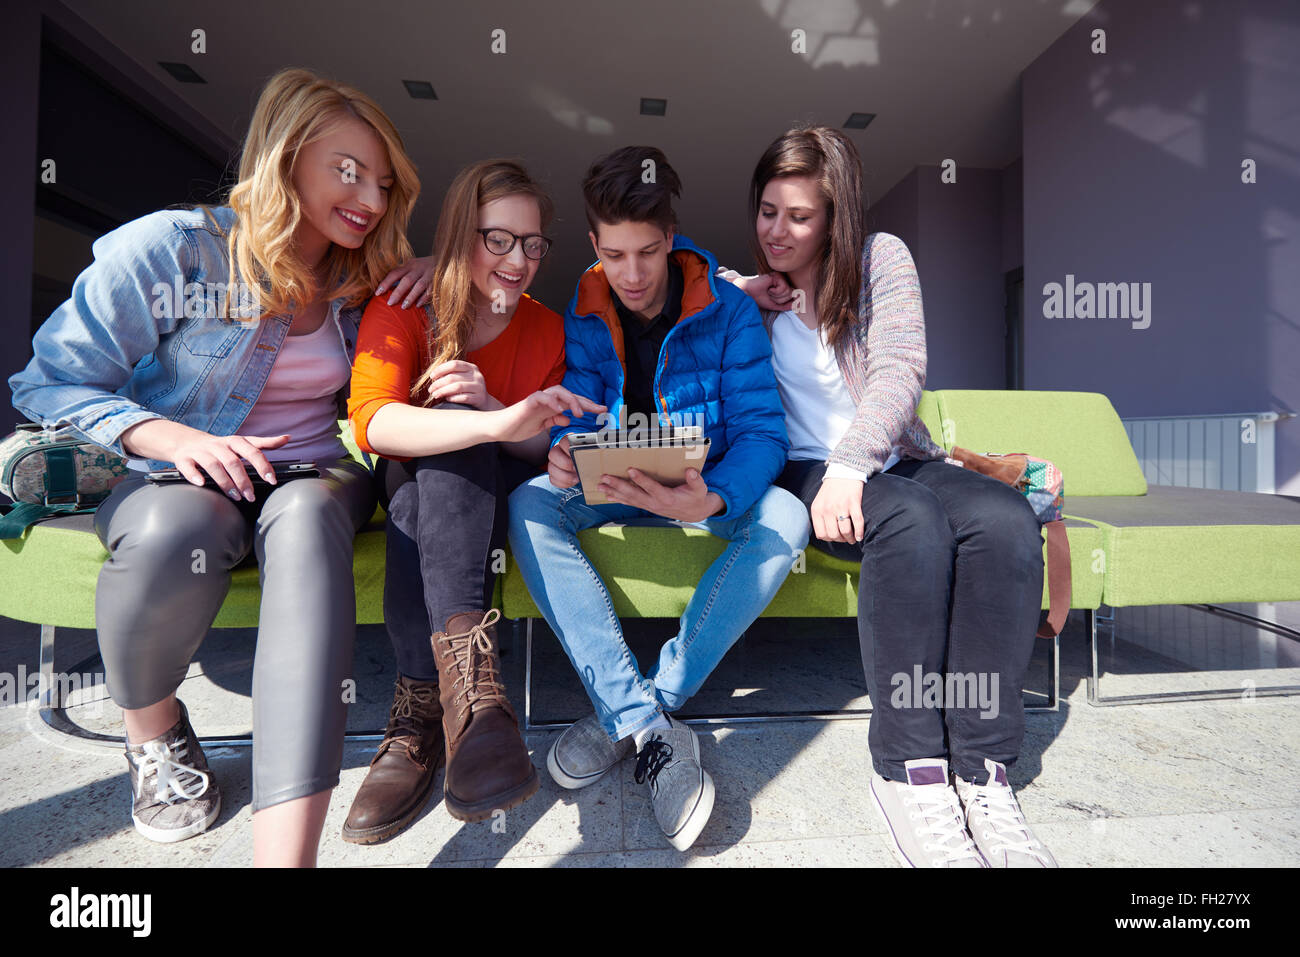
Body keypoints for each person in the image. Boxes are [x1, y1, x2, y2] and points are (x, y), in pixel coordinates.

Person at [9, 68, 422, 866]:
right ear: (285, 154)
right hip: (176, 474)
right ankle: (155, 736)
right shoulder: (172, 249)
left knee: (303, 524)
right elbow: (47, 380)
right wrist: (172, 439)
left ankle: (284, 858)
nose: (369, 198)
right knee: (171, 528)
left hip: (313, 475)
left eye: (383, 182)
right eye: (347, 170)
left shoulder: (360, 276)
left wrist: (429, 278)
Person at [724, 125, 1056, 867]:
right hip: (797, 465)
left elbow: (900, 368)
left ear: (836, 218)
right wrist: (742, 292)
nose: (777, 230)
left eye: (800, 216)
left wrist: (853, 462)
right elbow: (621, 266)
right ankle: (911, 770)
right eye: (768, 211)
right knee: (909, 521)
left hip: (879, 456)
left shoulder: (881, 259)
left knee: (1004, 520)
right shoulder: (740, 294)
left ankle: (982, 766)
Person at [506, 146, 810, 852]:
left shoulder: (729, 310)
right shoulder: (581, 306)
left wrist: (711, 501)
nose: (633, 275)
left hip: (703, 487)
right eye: (614, 255)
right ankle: (646, 725)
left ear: (671, 239)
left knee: (788, 515)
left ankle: (645, 705)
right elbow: (579, 409)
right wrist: (567, 449)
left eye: (647, 252)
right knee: (528, 503)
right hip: (615, 482)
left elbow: (765, 433)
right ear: (593, 245)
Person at [342, 159, 601, 842]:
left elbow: (533, 447)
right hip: (410, 475)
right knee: (426, 471)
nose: (519, 259)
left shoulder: (547, 327)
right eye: (498, 239)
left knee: (461, 435)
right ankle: (473, 702)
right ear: (461, 234)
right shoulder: (404, 302)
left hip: (496, 480)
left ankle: (420, 714)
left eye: (533, 242)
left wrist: (495, 412)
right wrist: (484, 419)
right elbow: (372, 422)